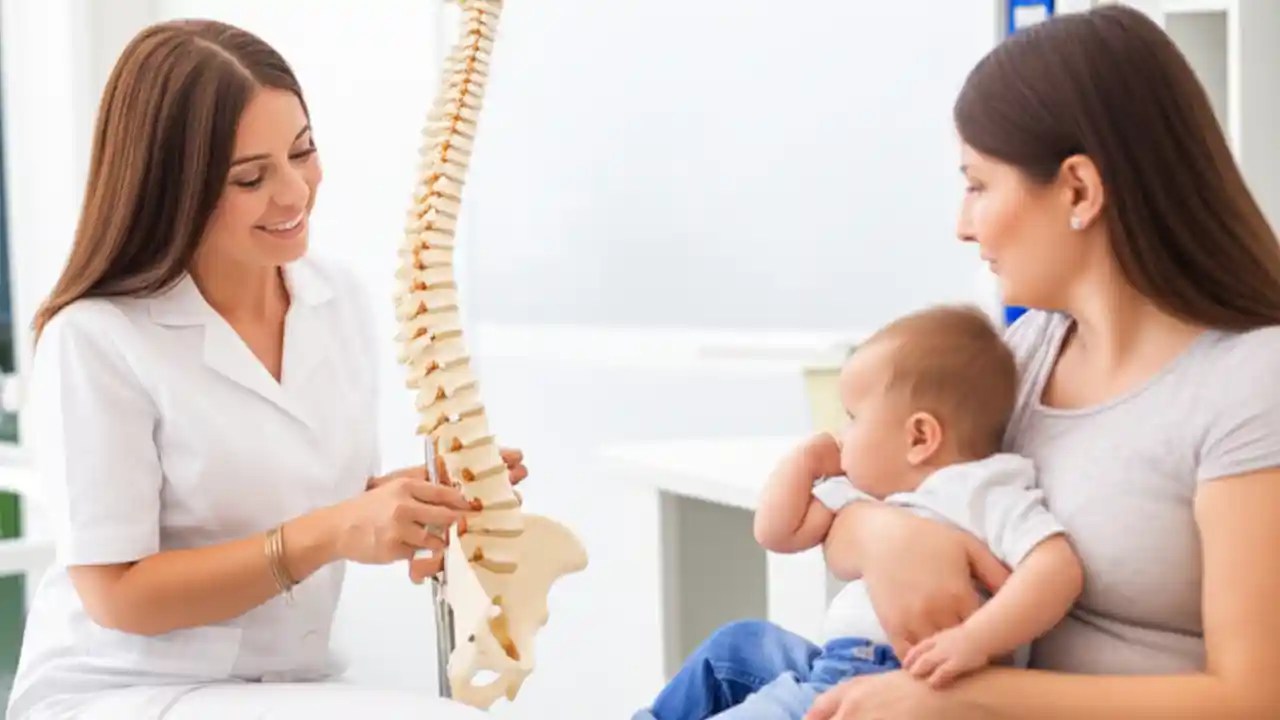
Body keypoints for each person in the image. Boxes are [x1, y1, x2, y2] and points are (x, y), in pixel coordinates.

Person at [681, 6, 1280, 719]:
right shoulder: (1025, 356)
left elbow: (1253, 697)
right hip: (931, 692)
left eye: (978, 185)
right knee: (727, 657)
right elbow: (879, 508)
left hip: (968, 702)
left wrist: (967, 695)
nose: (962, 225)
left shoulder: (1249, 383)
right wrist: (885, 534)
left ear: (1079, 190)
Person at [6, 19, 528, 720]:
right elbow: (117, 592)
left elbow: (298, 496)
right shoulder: (96, 339)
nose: (294, 192)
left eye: (302, 151)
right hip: (126, 689)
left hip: (285, 685)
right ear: (171, 186)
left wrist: (403, 505)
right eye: (250, 177)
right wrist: (333, 531)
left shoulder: (334, 299)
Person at [635, 306, 1084, 719]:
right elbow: (777, 531)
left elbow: (1056, 569)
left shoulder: (985, 487)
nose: (841, 433)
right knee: (735, 647)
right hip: (838, 661)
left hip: (896, 682)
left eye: (853, 417)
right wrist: (805, 461)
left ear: (919, 437)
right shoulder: (868, 490)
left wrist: (976, 639)